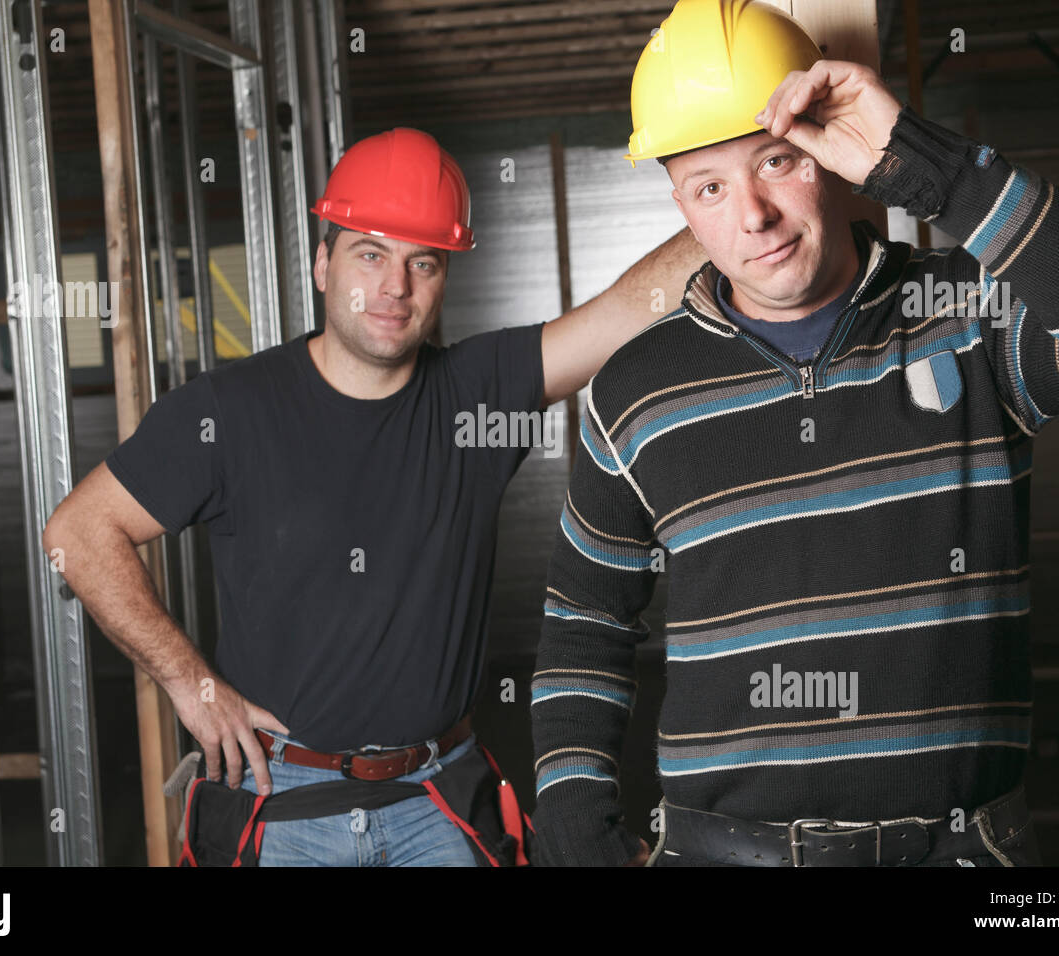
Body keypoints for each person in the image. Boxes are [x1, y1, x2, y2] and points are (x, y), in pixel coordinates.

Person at [529, 0, 1059, 866]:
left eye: (776, 162)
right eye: (709, 187)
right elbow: (583, 623)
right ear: (679, 201)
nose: (753, 215)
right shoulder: (632, 393)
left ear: (829, 153)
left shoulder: (965, 316)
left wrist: (928, 167)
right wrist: (576, 838)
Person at [43, 127, 667, 866]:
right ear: (322, 264)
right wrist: (192, 683)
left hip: (435, 805)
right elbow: (79, 531)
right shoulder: (227, 413)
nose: (395, 286)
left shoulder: (477, 399)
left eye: (422, 262)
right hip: (283, 808)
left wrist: (753, 182)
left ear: (443, 278)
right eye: (370, 254)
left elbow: (631, 307)